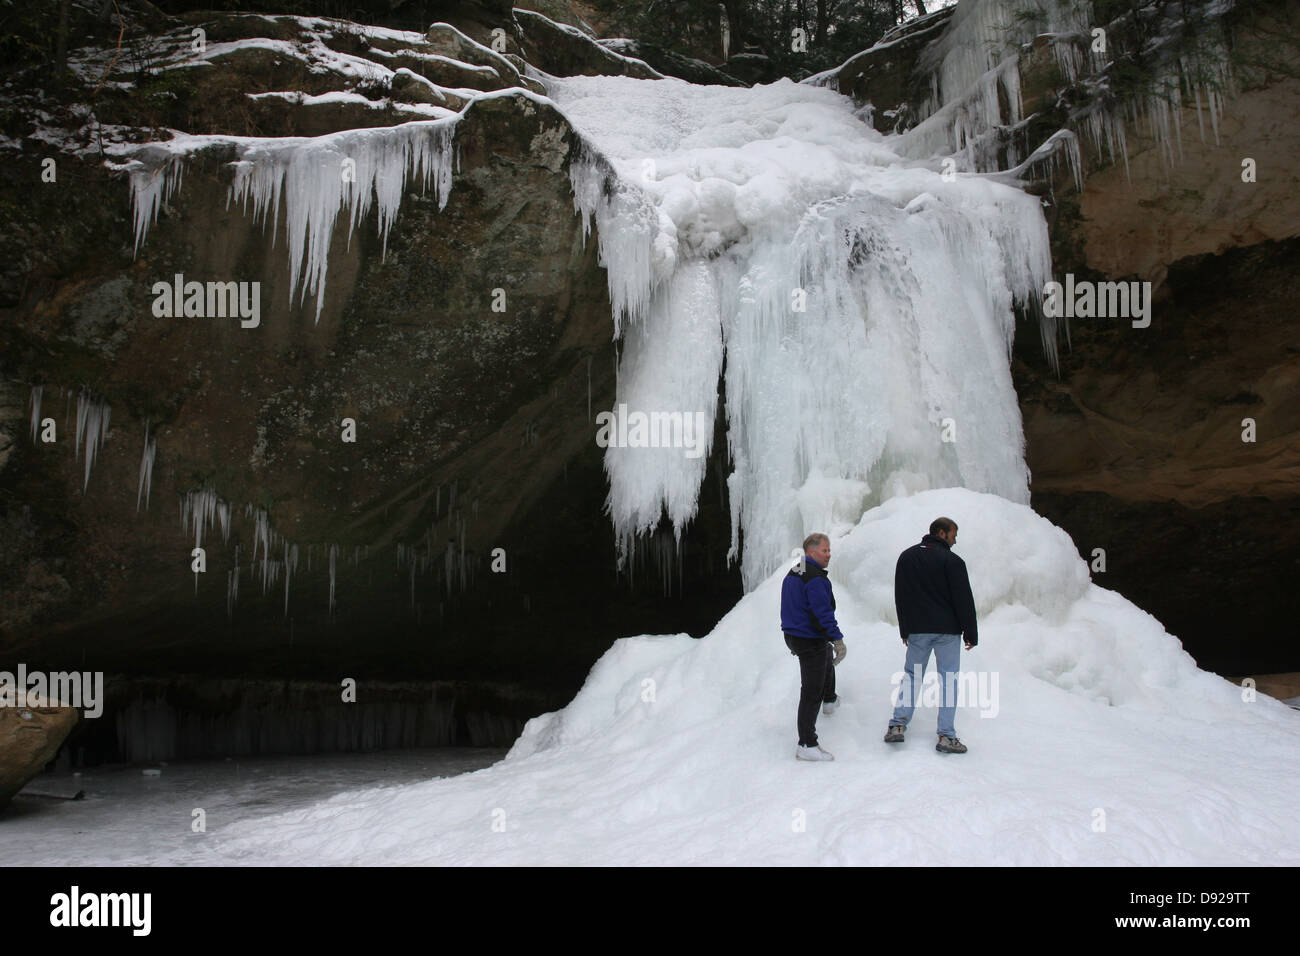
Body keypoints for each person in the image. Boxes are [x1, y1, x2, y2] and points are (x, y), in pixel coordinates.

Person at [886, 517, 978, 754]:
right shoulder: (953, 561)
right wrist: (971, 633)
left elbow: (901, 595)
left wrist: (904, 628)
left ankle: (897, 725)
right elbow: (963, 599)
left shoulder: (907, 557)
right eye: (953, 535)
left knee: (912, 675)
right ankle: (946, 736)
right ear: (941, 533)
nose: (955, 541)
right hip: (948, 631)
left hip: (917, 629)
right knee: (949, 680)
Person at [781, 533, 847, 761]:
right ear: (811, 552)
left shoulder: (796, 569)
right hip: (808, 638)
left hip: (793, 634)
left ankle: (829, 700)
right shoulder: (816, 578)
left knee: (825, 657)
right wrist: (837, 639)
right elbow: (823, 613)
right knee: (811, 691)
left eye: (829, 551)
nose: (829, 555)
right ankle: (807, 744)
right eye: (825, 551)